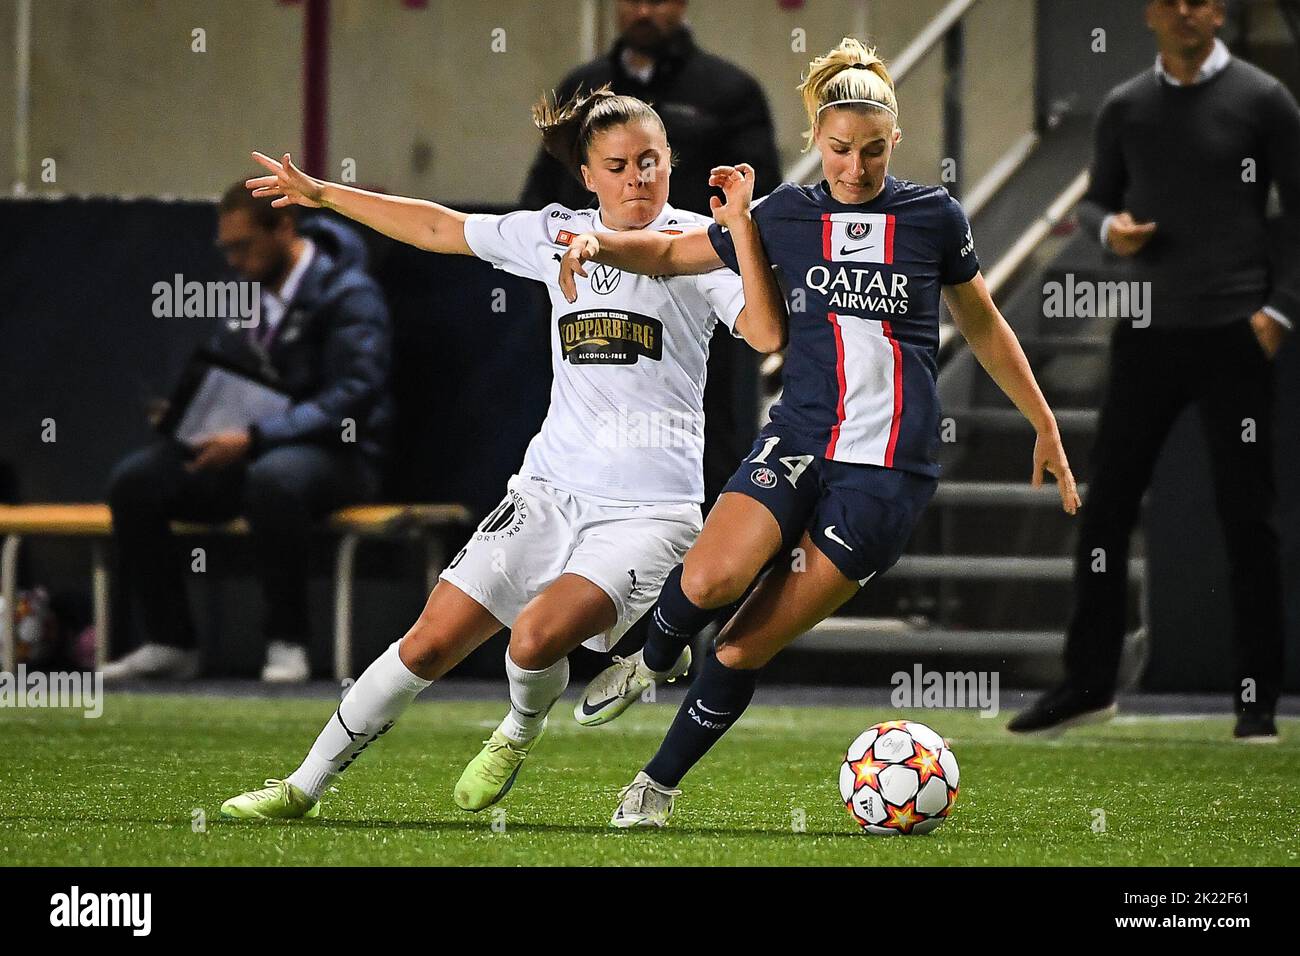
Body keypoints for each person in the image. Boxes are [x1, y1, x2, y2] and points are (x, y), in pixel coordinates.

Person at [220, 88, 785, 820]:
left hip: (648, 510)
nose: (638, 178)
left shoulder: (696, 246)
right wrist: (324, 195)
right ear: (588, 176)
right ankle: (302, 786)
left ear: (672, 160)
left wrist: (738, 230)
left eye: (650, 161)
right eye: (618, 166)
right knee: (426, 645)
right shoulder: (554, 234)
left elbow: (768, 336)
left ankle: (518, 729)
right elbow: (437, 228)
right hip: (548, 490)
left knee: (532, 640)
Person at [559, 38, 1081, 827]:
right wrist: (599, 240)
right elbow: (670, 251)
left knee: (740, 646)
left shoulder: (933, 217)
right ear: (816, 142)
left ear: (896, 140)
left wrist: (1043, 421)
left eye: (873, 150)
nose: (856, 167)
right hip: (799, 439)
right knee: (705, 583)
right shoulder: (783, 216)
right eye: (840, 149)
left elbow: (984, 324)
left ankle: (655, 786)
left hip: (886, 473)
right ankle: (650, 659)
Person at [1009, 0, 1299, 742]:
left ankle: (1256, 696)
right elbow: (1099, 198)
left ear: (1222, 12)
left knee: (1248, 515)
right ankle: (1087, 684)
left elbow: (1299, 215)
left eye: (1200, 0)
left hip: (1237, 329)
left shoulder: (1263, 100)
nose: (1186, 13)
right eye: (1171, 1)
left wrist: (1280, 311)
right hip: (1145, 331)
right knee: (1105, 507)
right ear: (1149, 14)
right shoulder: (1127, 106)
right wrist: (1111, 230)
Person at [102, 184, 393, 685]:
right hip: (254, 447)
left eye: (243, 246)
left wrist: (257, 437)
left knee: (273, 480)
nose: (234, 260)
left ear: (282, 228)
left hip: (339, 455)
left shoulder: (350, 293)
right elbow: (232, 375)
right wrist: (190, 417)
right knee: (136, 481)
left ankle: (288, 642)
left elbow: (353, 394)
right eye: (227, 250)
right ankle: (170, 641)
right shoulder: (246, 294)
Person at [521, 0, 781, 506]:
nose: (643, 10)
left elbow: (756, 207)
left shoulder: (728, 92)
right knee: (584, 461)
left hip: (700, 312)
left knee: (711, 454)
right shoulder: (581, 87)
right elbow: (537, 202)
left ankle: (705, 579)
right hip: (595, 316)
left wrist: (705, 255)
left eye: (657, 0)